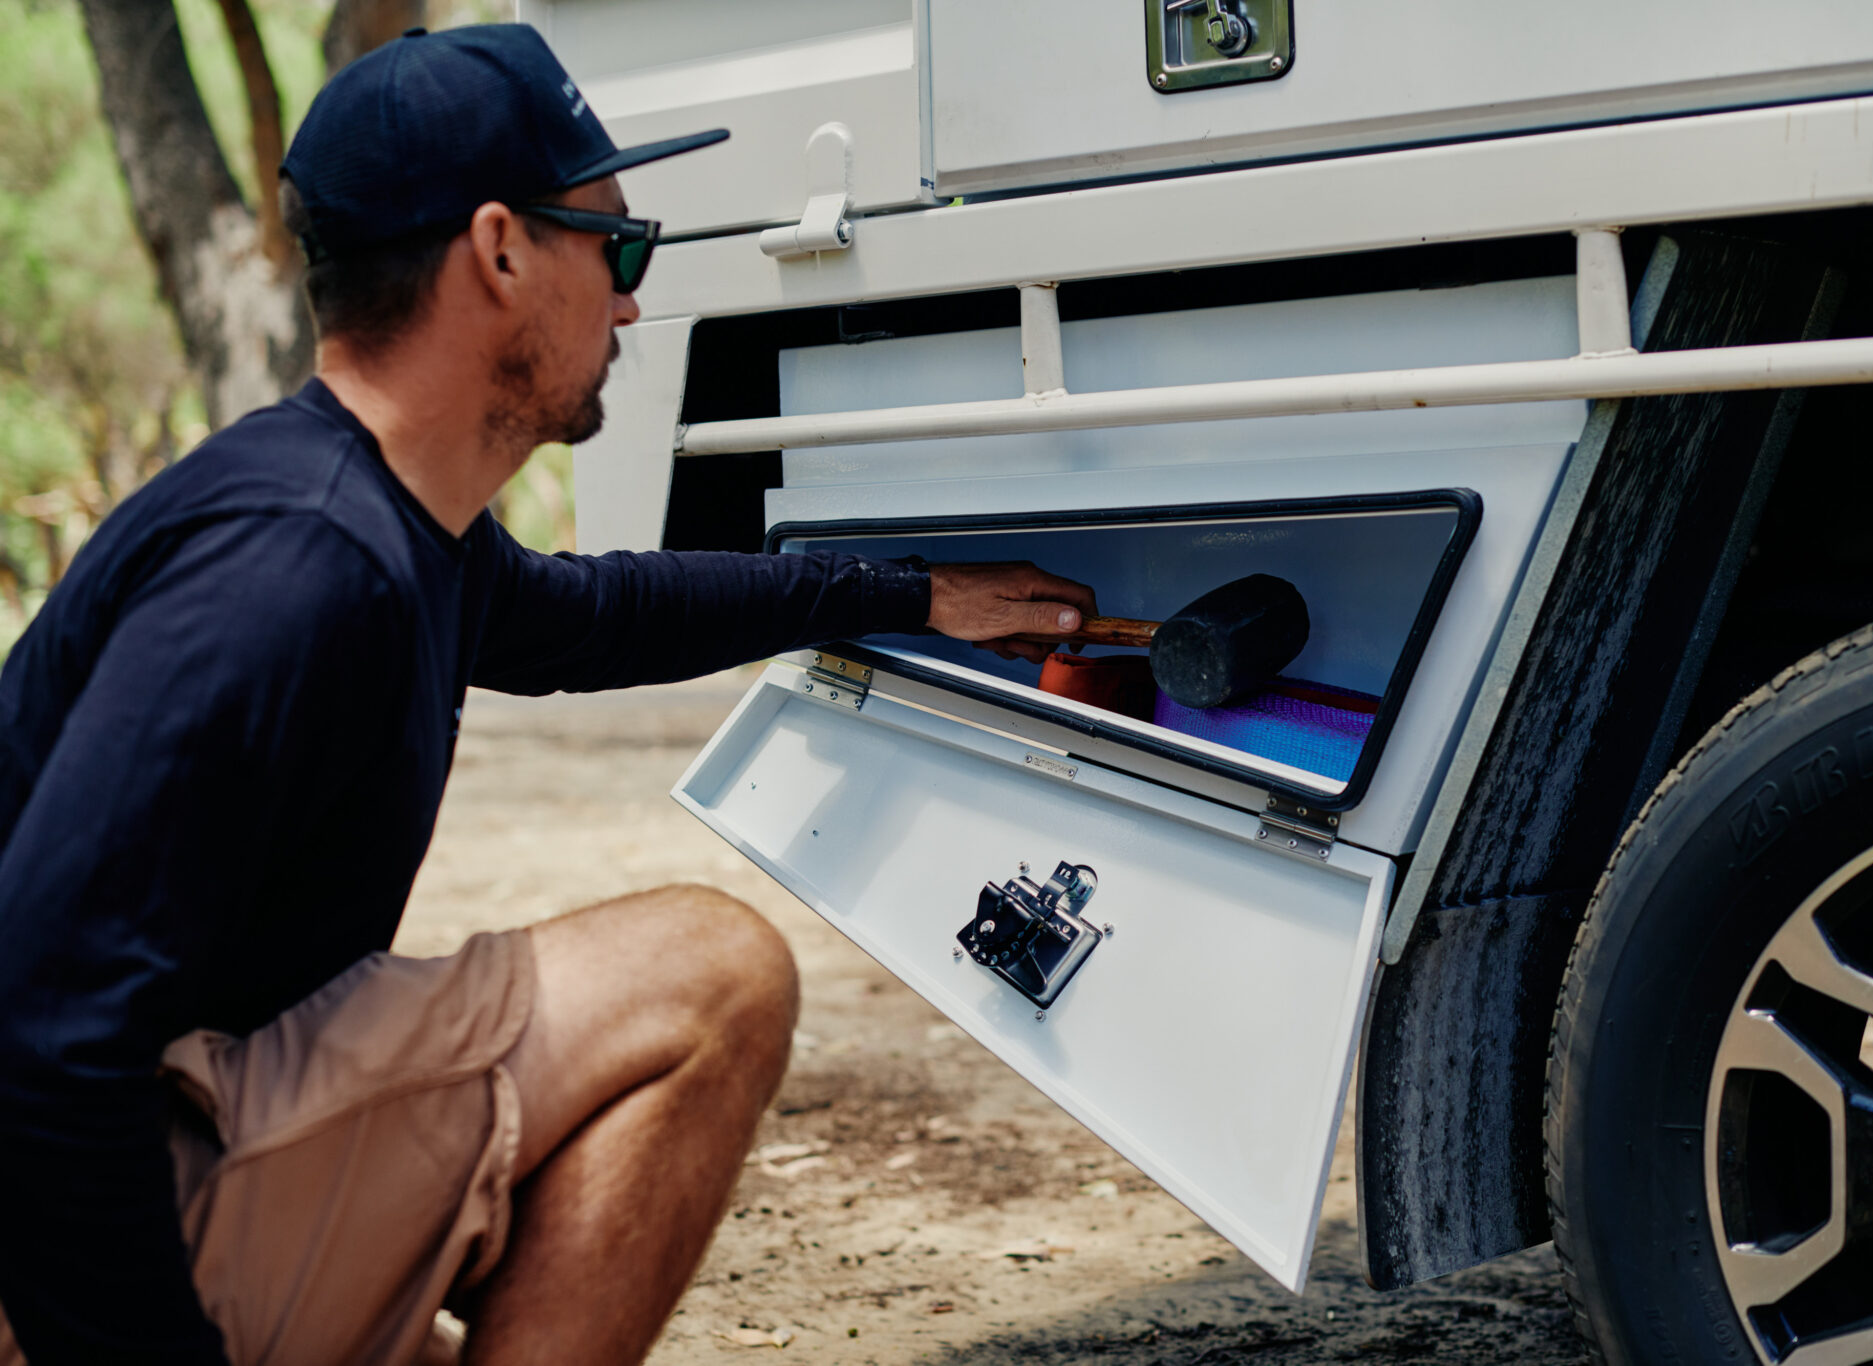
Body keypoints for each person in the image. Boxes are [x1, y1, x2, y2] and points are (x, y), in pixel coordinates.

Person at [0, 24, 1095, 1366]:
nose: (634, 301)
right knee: (711, 973)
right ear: (502, 251)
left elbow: (589, 614)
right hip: (60, 1235)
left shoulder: (385, 522)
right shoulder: (290, 576)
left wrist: (906, 590)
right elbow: (41, 1029)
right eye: (618, 248)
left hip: (162, 1147)